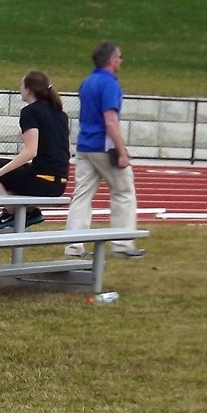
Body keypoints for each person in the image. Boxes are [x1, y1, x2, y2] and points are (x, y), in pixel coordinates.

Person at [65, 40, 146, 259]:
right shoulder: (110, 84)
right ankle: (123, 244)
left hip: (85, 145)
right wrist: (122, 152)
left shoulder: (87, 82)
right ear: (111, 60)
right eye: (119, 57)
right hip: (104, 145)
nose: (121, 60)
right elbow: (111, 121)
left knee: (82, 195)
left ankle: (73, 246)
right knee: (123, 192)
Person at [0, 70, 70, 229]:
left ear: (28, 89)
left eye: (21, 85)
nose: (20, 89)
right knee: (19, 170)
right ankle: (30, 211)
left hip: (41, 182)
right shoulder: (60, 114)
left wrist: (0, 172)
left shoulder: (30, 111)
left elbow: (31, 151)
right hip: (59, 184)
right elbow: (57, 147)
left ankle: (11, 211)